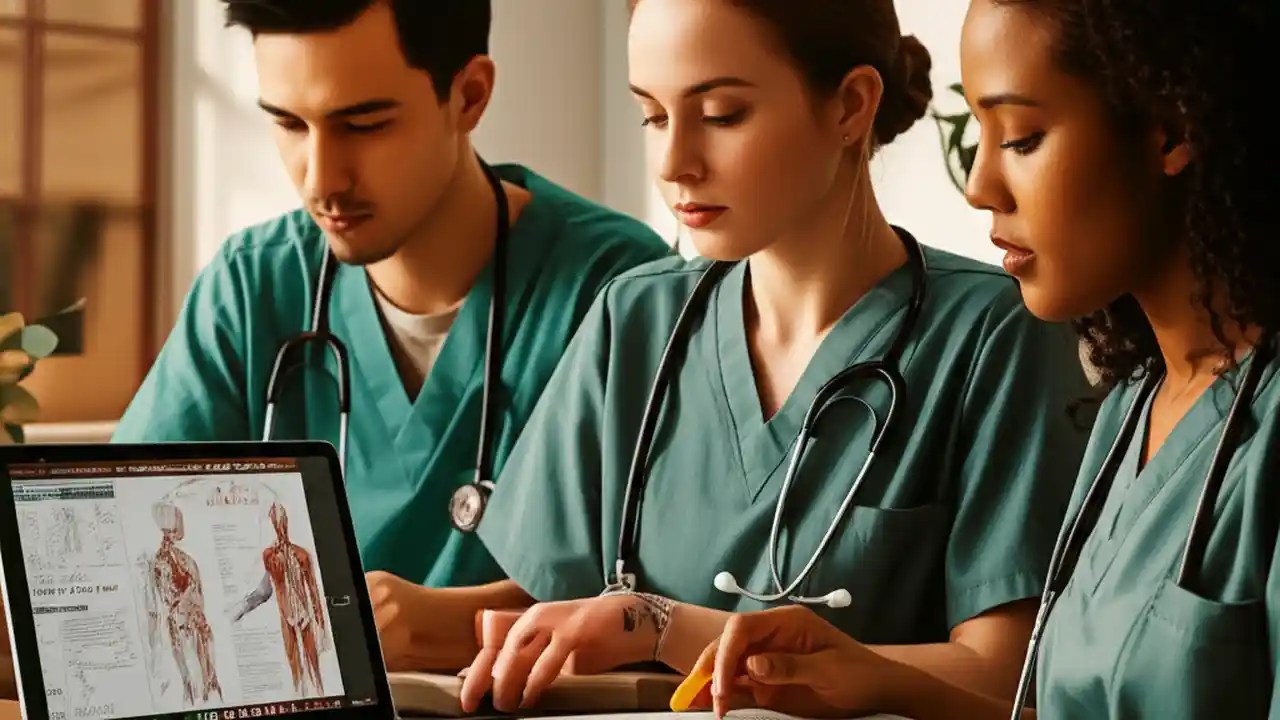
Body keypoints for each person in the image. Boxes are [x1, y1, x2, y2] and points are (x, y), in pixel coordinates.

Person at [401, 0, 1095, 713]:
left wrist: (662, 626)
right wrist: (403, 617)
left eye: (722, 115)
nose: (675, 164)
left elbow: (1005, 676)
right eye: (652, 117)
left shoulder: (995, 334)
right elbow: (552, 609)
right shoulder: (634, 319)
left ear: (851, 106)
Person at [684, 0, 1280, 718]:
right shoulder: (1133, 408)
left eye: (1022, 138)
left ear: (1172, 129)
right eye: (979, 132)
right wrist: (878, 681)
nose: (978, 186)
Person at [107, 0, 670, 668]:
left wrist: (444, 626)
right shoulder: (253, 285)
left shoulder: (621, 287)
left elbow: (663, 592)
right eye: (288, 123)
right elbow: (125, 546)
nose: (321, 179)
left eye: (364, 125)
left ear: (469, 96)